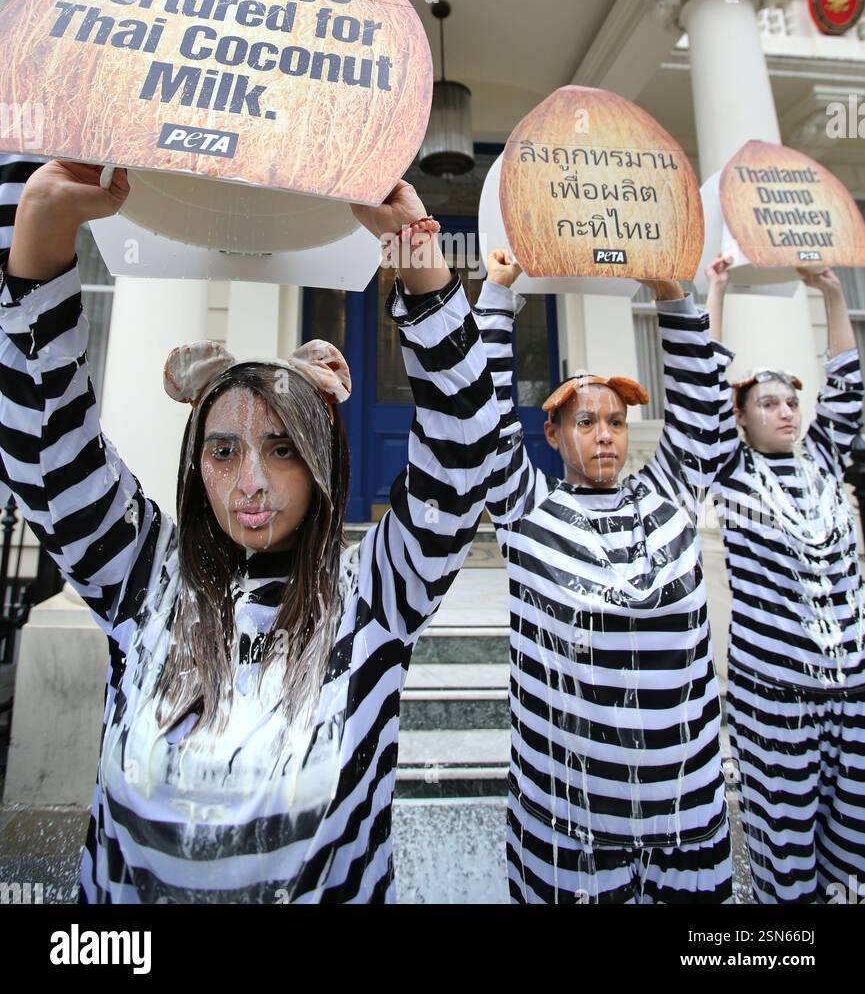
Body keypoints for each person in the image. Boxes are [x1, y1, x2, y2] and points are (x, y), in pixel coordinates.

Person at [0, 156, 499, 903]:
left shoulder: (372, 599)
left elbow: (464, 452)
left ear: (324, 460)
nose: (252, 482)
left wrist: (414, 255)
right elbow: (44, 444)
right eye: (223, 451)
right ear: (195, 462)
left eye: (283, 449)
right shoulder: (141, 579)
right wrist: (40, 231)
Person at [472, 248, 732, 904]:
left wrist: (672, 293)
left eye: (616, 421)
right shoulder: (527, 511)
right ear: (552, 434)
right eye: (585, 422)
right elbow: (482, 425)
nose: (606, 436)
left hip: (687, 816)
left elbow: (702, 414)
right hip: (569, 828)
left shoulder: (668, 496)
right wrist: (497, 297)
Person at [706, 254, 865, 904]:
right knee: (786, 843)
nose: (785, 411)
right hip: (775, 696)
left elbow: (849, 387)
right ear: (740, 417)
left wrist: (830, 294)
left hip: (850, 686)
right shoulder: (730, 471)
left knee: (852, 843)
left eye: (791, 401)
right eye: (767, 403)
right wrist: (714, 290)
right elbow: (697, 393)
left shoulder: (824, 460)